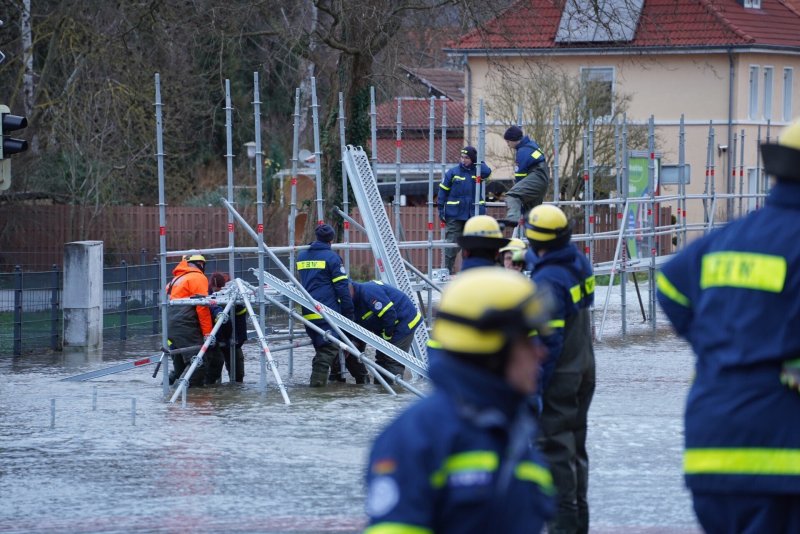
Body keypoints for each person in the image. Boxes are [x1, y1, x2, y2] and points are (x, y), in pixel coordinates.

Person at [656, 118, 800, 533]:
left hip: (713, 448)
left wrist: (713, 343)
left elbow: (669, 285)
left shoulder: (731, 237)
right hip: (785, 455)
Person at [365, 267, 555, 533]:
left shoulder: (516, 428)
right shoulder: (414, 438)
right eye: (527, 341)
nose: (541, 353)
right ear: (491, 349)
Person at [525, 204, 596, 534]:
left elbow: (546, 344)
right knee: (575, 448)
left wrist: (535, 390)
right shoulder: (577, 261)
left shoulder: (547, 281)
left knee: (554, 452)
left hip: (561, 376)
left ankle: (564, 527)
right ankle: (580, 522)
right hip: (584, 365)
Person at [297, 223, 360, 387]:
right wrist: (349, 312)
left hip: (309, 310)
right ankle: (317, 389)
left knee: (322, 348)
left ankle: (336, 381)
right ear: (331, 239)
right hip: (327, 311)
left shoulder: (301, 256)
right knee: (329, 348)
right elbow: (342, 288)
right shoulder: (332, 258)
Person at [347, 280, 422, 382]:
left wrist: (387, 336)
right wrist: (354, 343)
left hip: (404, 321)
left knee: (392, 358)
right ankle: (381, 393)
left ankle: (395, 393)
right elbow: (362, 324)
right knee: (381, 358)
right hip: (386, 326)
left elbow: (389, 314)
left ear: (351, 288)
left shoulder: (368, 291)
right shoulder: (354, 303)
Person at [437, 146, 493, 274]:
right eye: (462, 157)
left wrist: (479, 161)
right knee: (451, 244)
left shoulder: (478, 172)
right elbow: (443, 191)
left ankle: (470, 273)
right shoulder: (452, 172)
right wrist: (440, 208)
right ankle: (446, 271)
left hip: (473, 215)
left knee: (471, 246)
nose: (463, 160)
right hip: (455, 214)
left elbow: (487, 172)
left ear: (472, 159)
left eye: (467, 158)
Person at [166, 253, 212, 388]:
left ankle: (168, 391)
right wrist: (208, 333)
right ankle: (186, 396)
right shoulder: (197, 277)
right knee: (198, 363)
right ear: (200, 264)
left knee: (181, 368)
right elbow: (202, 307)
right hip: (185, 325)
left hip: (171, 326)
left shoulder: (176, 279)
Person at [502, 125, 549, 228]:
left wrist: (519, 192)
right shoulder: (531, 145)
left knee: (512, 195)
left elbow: (520, 175)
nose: (508, 145)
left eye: (508, 141)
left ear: (514, 140)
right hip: (542, 179)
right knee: (531, 216)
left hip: (536, 176)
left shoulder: (522, 151)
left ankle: (512, 219)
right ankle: (537, 239)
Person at [206, 272, 246, 384]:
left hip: (231, 337)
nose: (217, 292)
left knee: (238, 370)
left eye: (219, 289)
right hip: (214, 338)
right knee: (213, 371)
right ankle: (212, 389)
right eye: (215, 289)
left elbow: (240, 322)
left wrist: (238, 340)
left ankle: (235, 390)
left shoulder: (235, 297)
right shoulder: (206, 295)